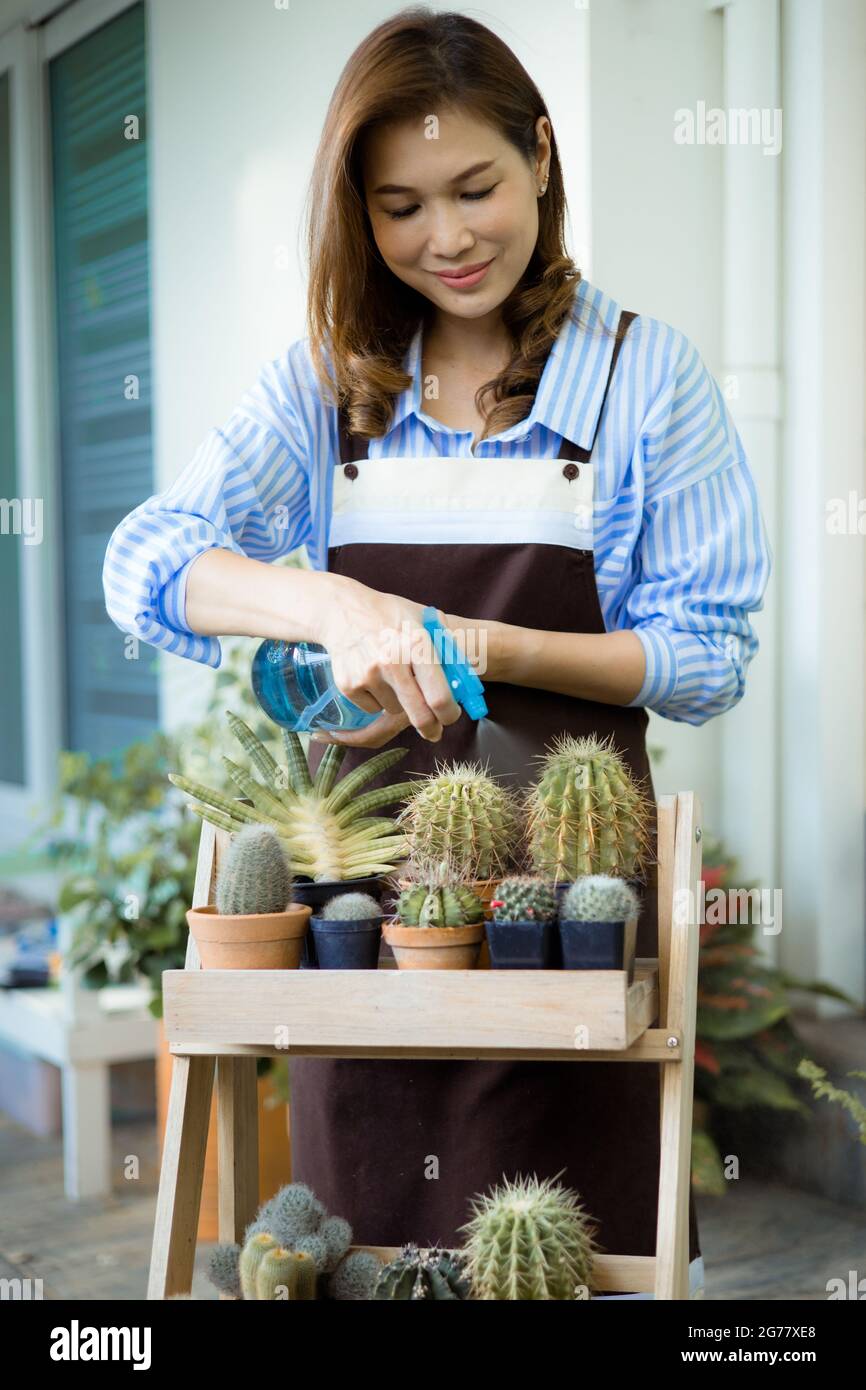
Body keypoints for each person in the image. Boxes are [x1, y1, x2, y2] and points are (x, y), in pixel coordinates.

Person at [103, 7, 772, 1298]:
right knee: (364, 1251)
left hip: (561, 909)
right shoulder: (322, 384)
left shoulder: (644, 377)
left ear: (539, 158)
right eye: (399, 206)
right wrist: (334, 609)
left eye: (475, 188)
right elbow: (146, 561)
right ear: (356, 215)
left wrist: (490, 642)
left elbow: (705, 653)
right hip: (361, 919)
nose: (446, 238)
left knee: (560, 1249)